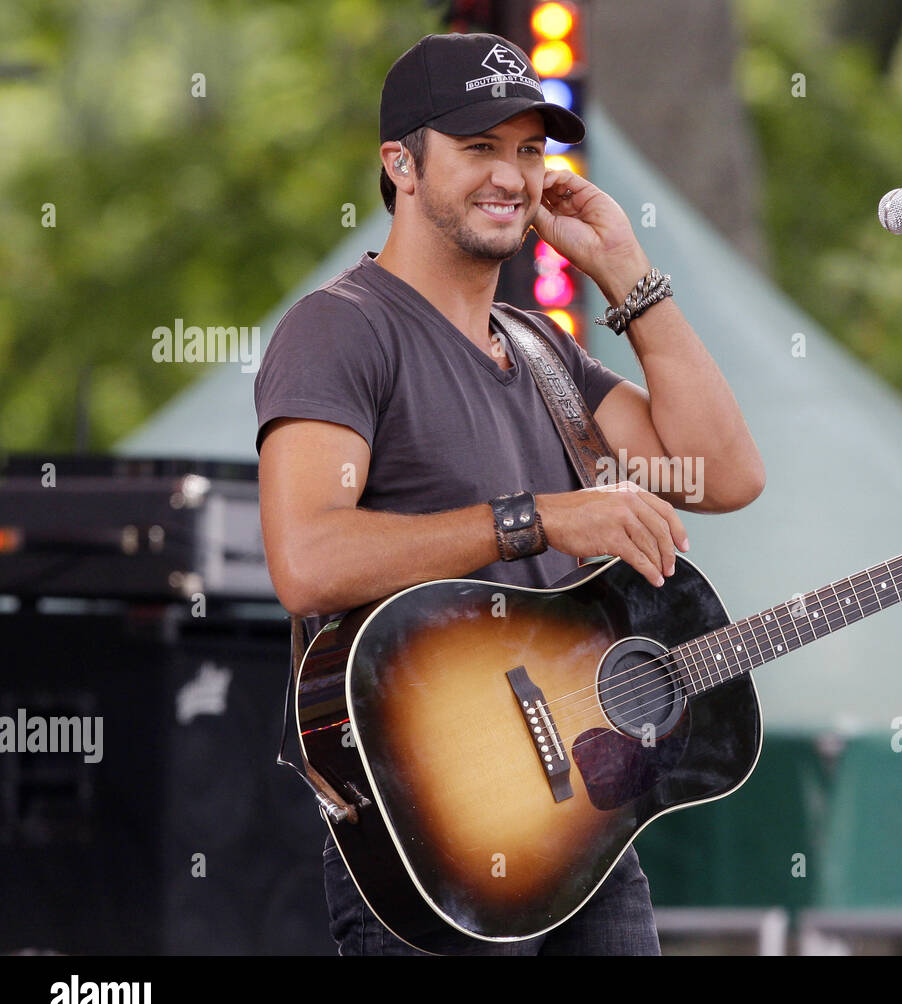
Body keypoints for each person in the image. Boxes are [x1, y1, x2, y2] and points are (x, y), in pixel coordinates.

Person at [254, 32, 764, 955]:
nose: (514, 176)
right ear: (400, 164)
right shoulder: (338, 329)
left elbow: (725, 472)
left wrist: (629, 276)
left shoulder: (541, 347)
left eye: (531, 150)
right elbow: (308, 560)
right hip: (423, 828)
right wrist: (543, 518)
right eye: (481, 147)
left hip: (577, 821)